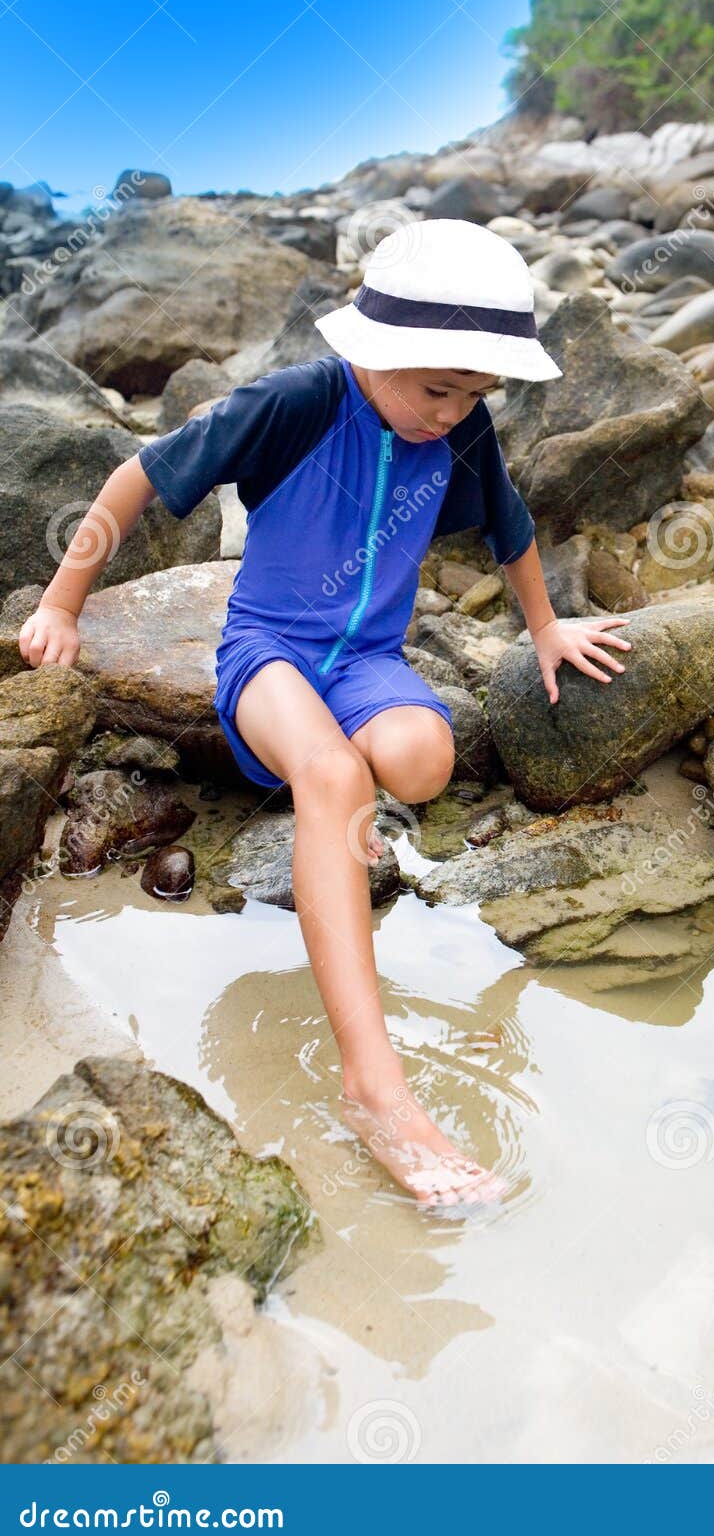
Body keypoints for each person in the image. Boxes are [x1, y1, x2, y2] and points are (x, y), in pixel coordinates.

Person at [18, 217, 632, 1208]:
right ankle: (372, 1083)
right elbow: (135, 476)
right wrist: (60, 601)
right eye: (435, 388)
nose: (450, 413)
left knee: (424, 758)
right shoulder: (295, 404)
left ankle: (321, 810)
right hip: (266, 650)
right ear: (373, 352)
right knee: (340, 780)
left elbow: (511, 527)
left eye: (472, 394)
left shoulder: (457, 427)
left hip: (368, 662)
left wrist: (547, 628)